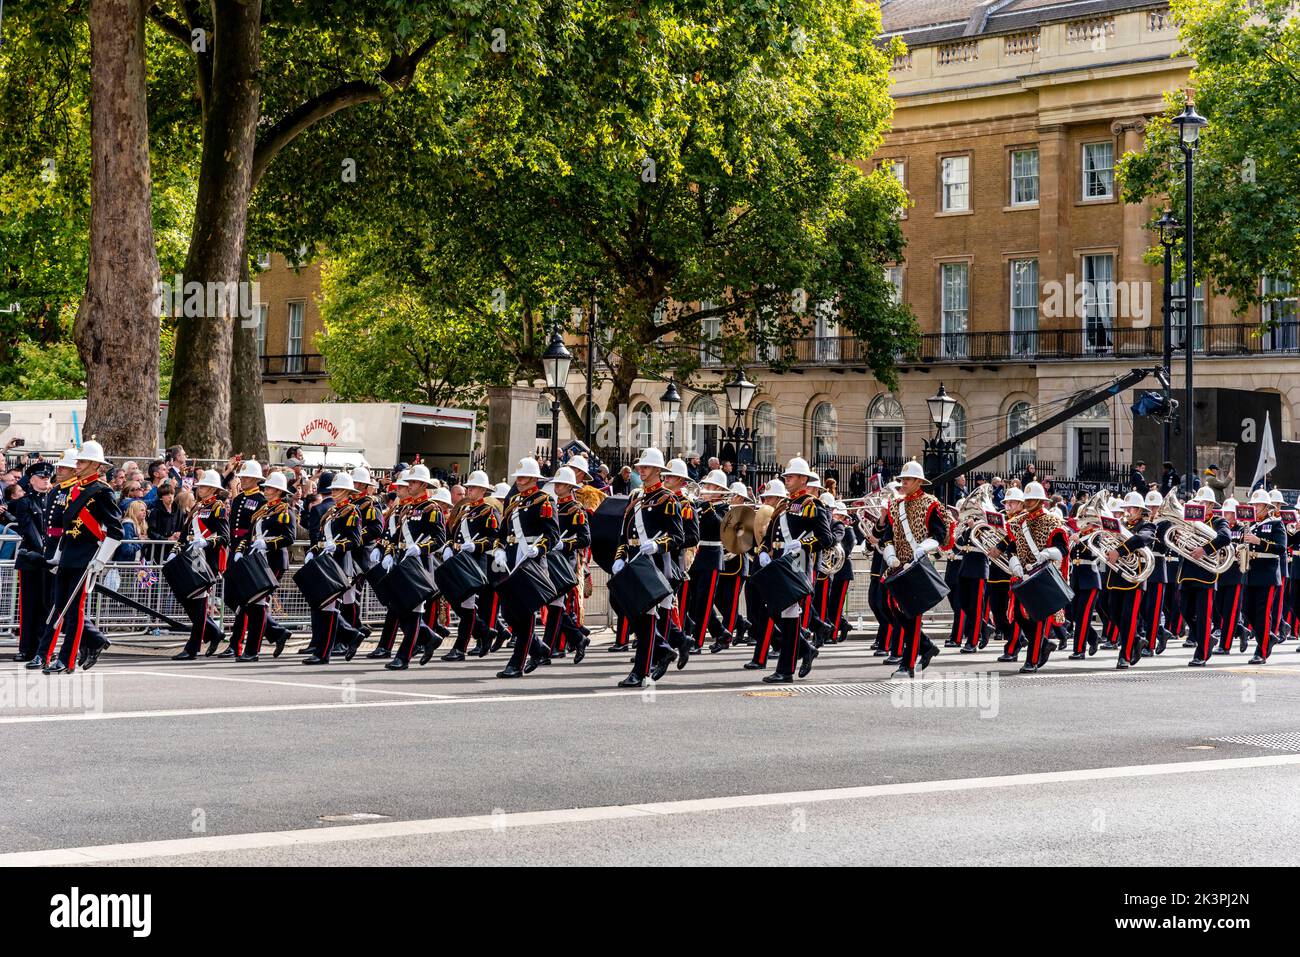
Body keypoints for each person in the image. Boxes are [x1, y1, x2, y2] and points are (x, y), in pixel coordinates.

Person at [47, 441, 123, 675]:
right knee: (60, 607)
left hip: (86, 556)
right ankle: (89, 643)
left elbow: (116, 531)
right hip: (69, 554)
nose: (76, 465)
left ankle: (66, 660)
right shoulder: (74, 489)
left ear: (94, 465)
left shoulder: (102, 491)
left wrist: (99, 560)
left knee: (75, 610)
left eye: (81, 461)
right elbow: (68, 526)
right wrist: (58, 555)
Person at [613, 448, 685, 688]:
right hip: (635, 562)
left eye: (645, 467)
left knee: (646, 617)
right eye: (640, 467)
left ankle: (641, 672)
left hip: (654, 563)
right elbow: (625, 536)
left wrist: (657, 544)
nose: (640, 470)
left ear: (657, 470)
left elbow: (677, 536)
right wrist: (620, 556)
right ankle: (662, 650)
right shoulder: (638, 499)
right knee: (635, 613)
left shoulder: (667, 499)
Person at [878, 460, 953, 678]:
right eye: (902, 479)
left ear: (919, 481)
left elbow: (940, 535)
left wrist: (924, 547)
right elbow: (887, 534)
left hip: (917, 565)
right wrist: (889, 551)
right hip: (897, 565)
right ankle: (926, 645)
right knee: (892, 609)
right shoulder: (895, 504)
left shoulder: (930, 503)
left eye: (908, 479)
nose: (903, 483)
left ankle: (908, 665)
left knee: (912, 615)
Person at [491, 457, 559, 678]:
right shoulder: (513, 502)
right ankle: (537, 648)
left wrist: (538, 548)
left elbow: (552, 534)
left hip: (530, 560)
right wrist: (499, 549)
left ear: (533, 478)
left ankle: (517, 663)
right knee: (509, 613)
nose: (519, 481)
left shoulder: (544, 501)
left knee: (526, 613)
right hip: (512, 560)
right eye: (518, 477)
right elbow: (502, 534)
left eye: (523, 477)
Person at [1000, 482, 1071, 673]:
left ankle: (1031, 660)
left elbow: (1063, 548)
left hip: (1041, 575)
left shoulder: (1052, 521)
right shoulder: (1018, 521)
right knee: (1017, 616)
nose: (1029, 502)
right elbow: (1011, 546)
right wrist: (1013, 559)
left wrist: (1049, 552)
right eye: (1027, 498)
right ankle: (1044, 644)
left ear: (1040, 501)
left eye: (1032, 499)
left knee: (1037, 619)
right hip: (1022, 574)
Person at [301, 472, 365, 665]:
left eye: (338, 489)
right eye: (334, 489)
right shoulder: (332, 512)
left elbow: (355, 539)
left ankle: (323, 652)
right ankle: (349, 636)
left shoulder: (351, 511)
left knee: (328, 606)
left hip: (339, 562)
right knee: (324, 607)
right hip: (327, 560)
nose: (334, 492)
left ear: (347, 491)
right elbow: (321, 538)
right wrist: (313, 550)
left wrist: (337, 546)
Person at [169, 470, 229, 660]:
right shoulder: (198, 507)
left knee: (199, 602)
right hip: (190, 557)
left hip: (205, 560)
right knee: (189, 601)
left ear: (212, 488)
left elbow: (224, 537)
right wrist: (175, 550)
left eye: (202, 486)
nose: (199, 489)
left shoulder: (217, 507)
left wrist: (206, 542)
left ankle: (193, 647)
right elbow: (185, 532)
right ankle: (214, 632)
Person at [540, 466, 592, 662]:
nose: (557, 487)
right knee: (553, 605)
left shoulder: (575, 510)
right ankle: (577, 637)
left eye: (561, 484)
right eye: (556, 483)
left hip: (565, 561)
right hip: (549, 560)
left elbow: (585, 538)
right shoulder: (552, 506)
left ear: (570, 486)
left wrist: (565, 543)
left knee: (555, 605)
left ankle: (549, 648)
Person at [9, 461, 54, 662]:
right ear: (32, 479)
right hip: (31, 559)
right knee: (29, 605)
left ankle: (42, 649)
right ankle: (26, 648)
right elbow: (29, 529)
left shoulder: (54, 501)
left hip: (50, 560)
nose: (46, 480)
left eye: (48, 477)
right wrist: (43, 550)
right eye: (42, 477)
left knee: (47, 605)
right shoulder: (25, 502)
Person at [1240, 488, 1286, 664]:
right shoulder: (1250, 525)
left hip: (1266, 574)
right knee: (1246, 610)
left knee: (1262, 614)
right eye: (1254, 504)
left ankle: (1261, 651)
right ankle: (1268, 637)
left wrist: (1259, 542)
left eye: (1259, 504)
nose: (1256, 507)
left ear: (1267, 507)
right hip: (1250, 572)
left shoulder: (1276, 524)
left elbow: (1281, 548)